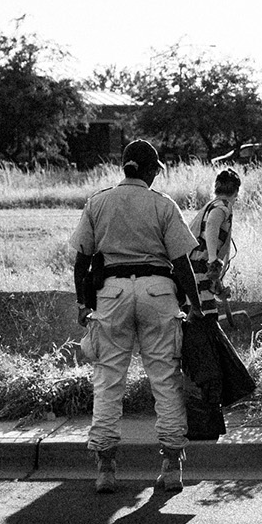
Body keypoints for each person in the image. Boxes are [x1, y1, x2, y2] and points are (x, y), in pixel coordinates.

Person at [70, 140, 205, 494]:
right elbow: (181, 262)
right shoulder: (162, 204)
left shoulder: (98, 202)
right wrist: (194, 304)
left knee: (108, 380)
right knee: (164, 378)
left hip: (111, 294)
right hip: (158, 293)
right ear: (150, 171)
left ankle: (106, 468)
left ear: (124, 167)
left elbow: (81, 260)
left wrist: (84, 304)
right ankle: (172, 466)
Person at [189, 167, 240, 324]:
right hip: (199, 267)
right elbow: (211, 225)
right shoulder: (222, 206)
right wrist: (212, 260)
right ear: (236, 192)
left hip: (196, 267)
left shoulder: (213, 204)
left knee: (202, 314)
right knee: (207, 318)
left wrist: (217, 286)